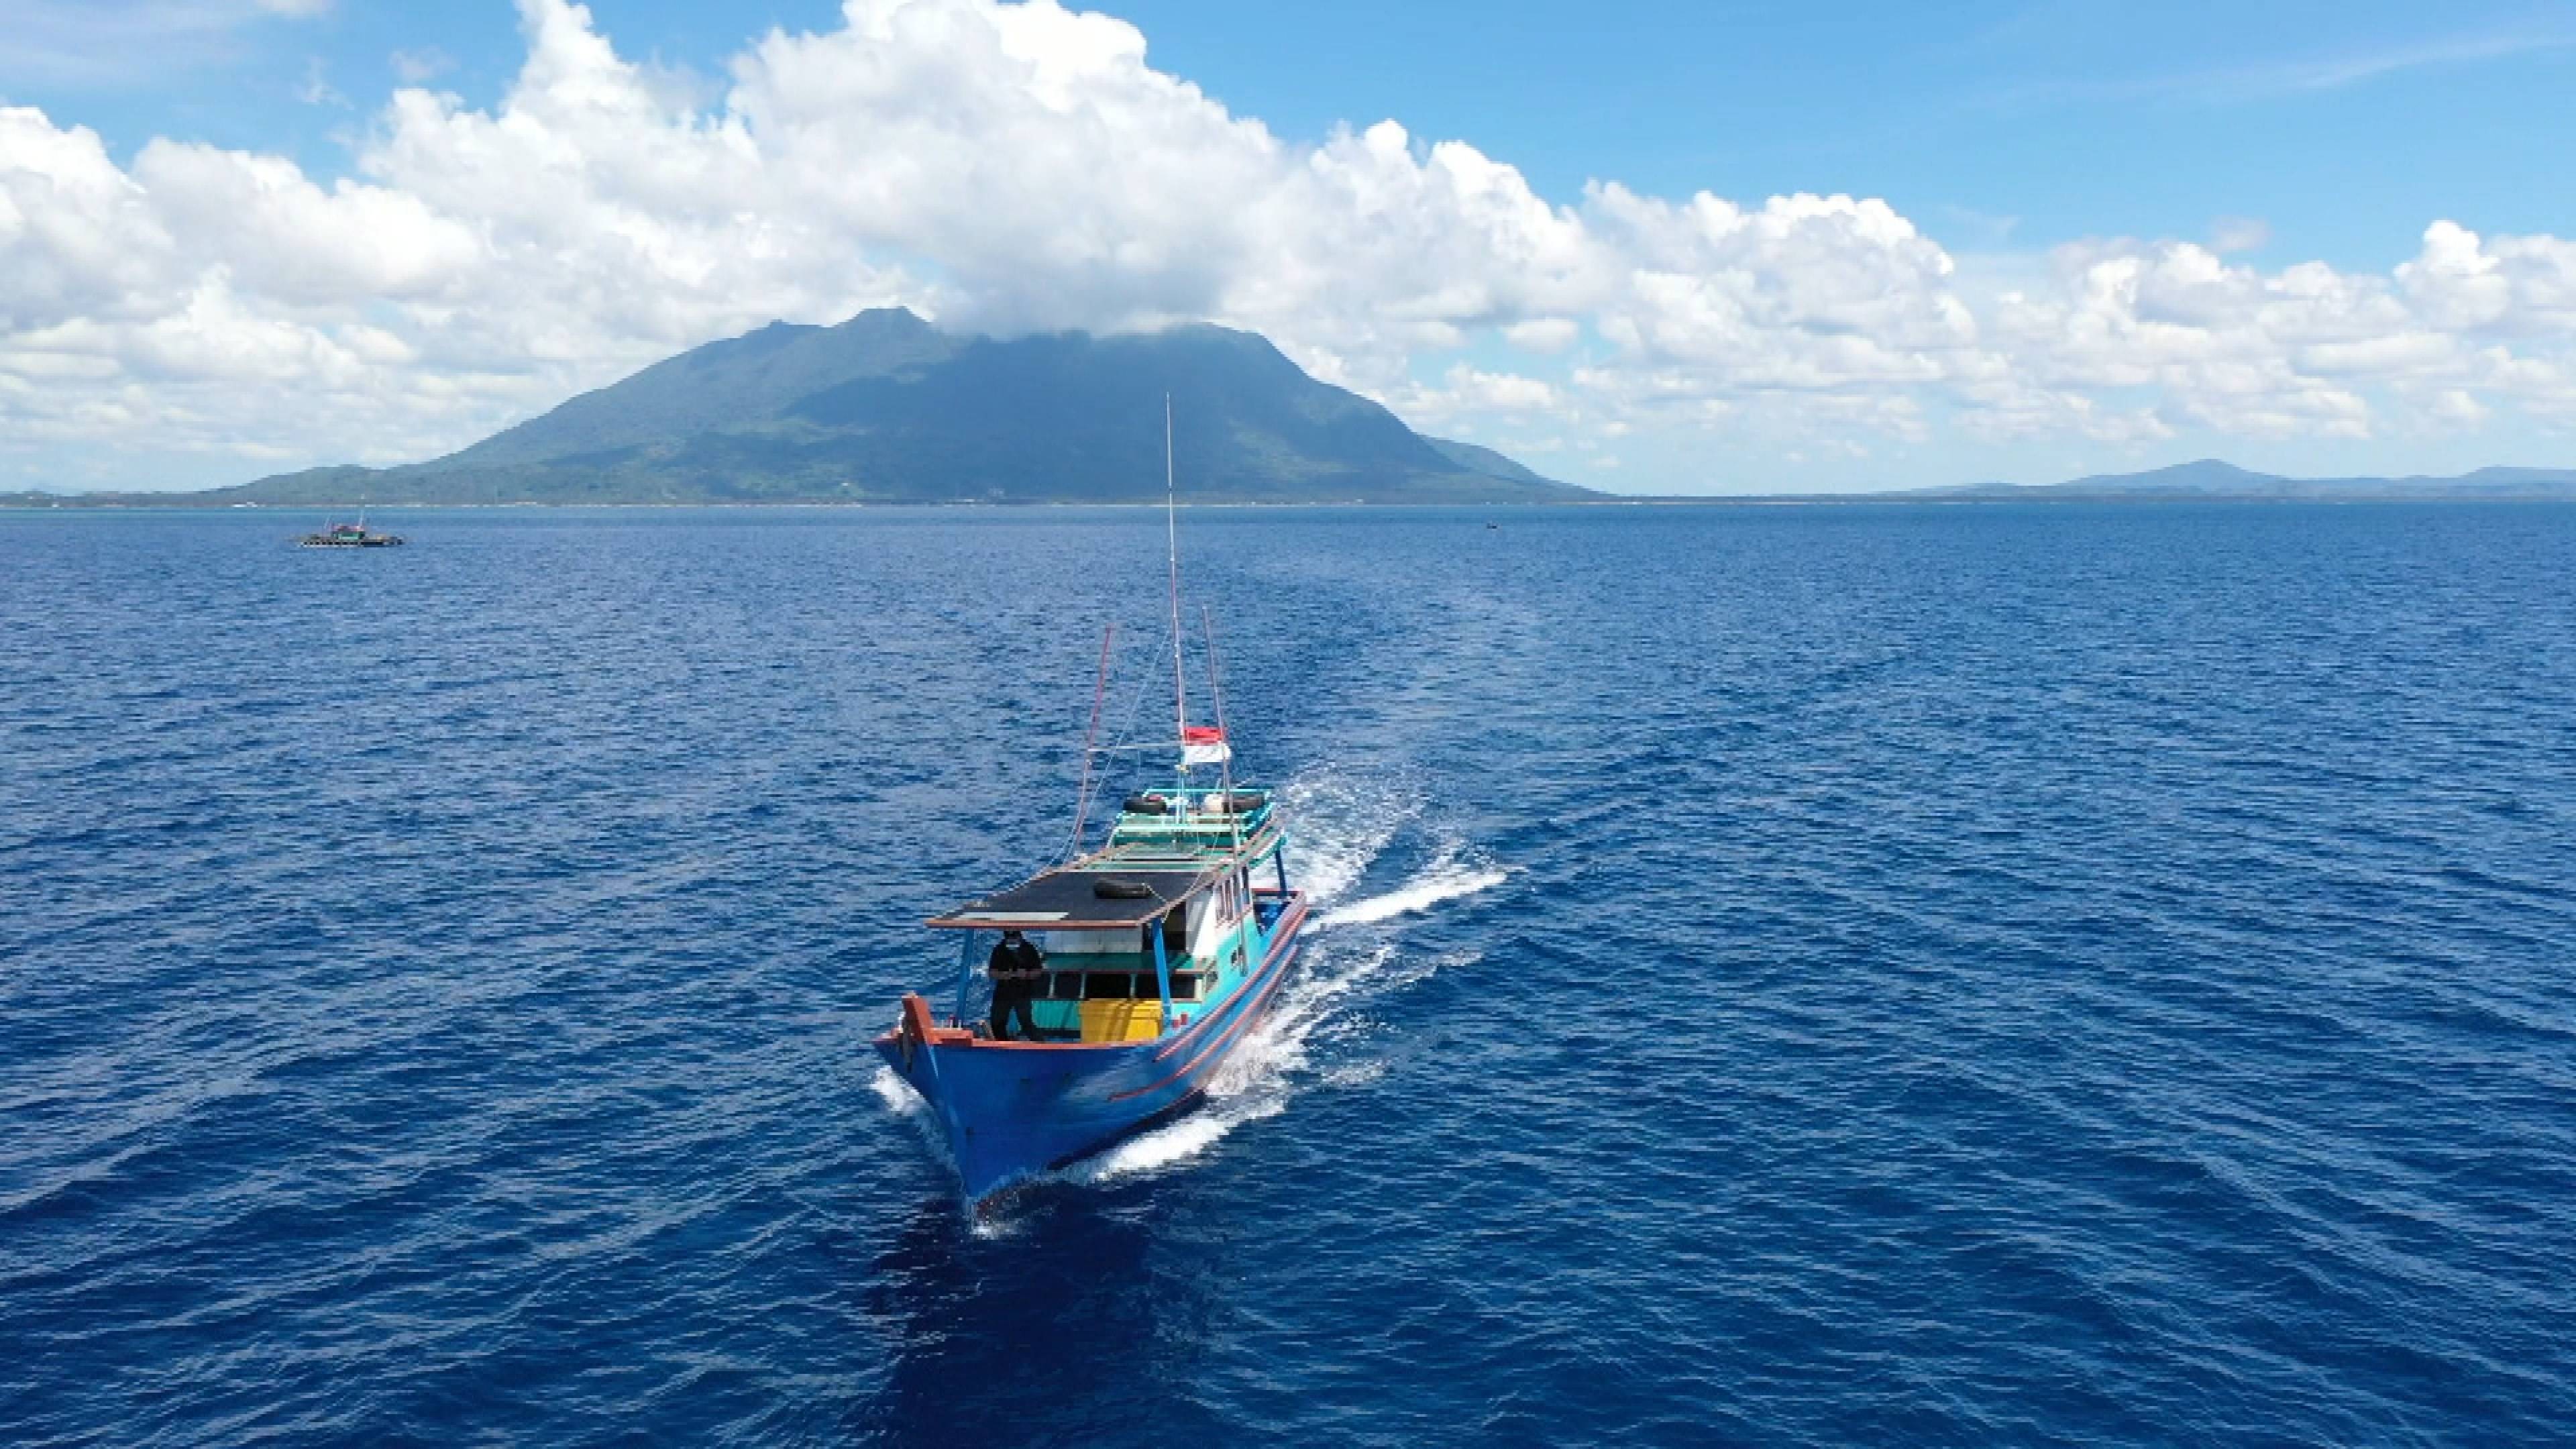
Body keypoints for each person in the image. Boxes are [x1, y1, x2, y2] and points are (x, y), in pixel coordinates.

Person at [986, 929, 1046, 1041]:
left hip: (1023, 992)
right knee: (997, 1022)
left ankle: (1041, 1045)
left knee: (1026, 1022)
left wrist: (1027, 975)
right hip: (1003, 993)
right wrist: (1003, 975)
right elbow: (991, 972)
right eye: (1009, 939)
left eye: (1014, 938)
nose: (1011, 941)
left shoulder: (1029, 949)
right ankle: (1004, 1046)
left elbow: (1038, 971)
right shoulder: (999, 949)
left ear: (1019, 937)